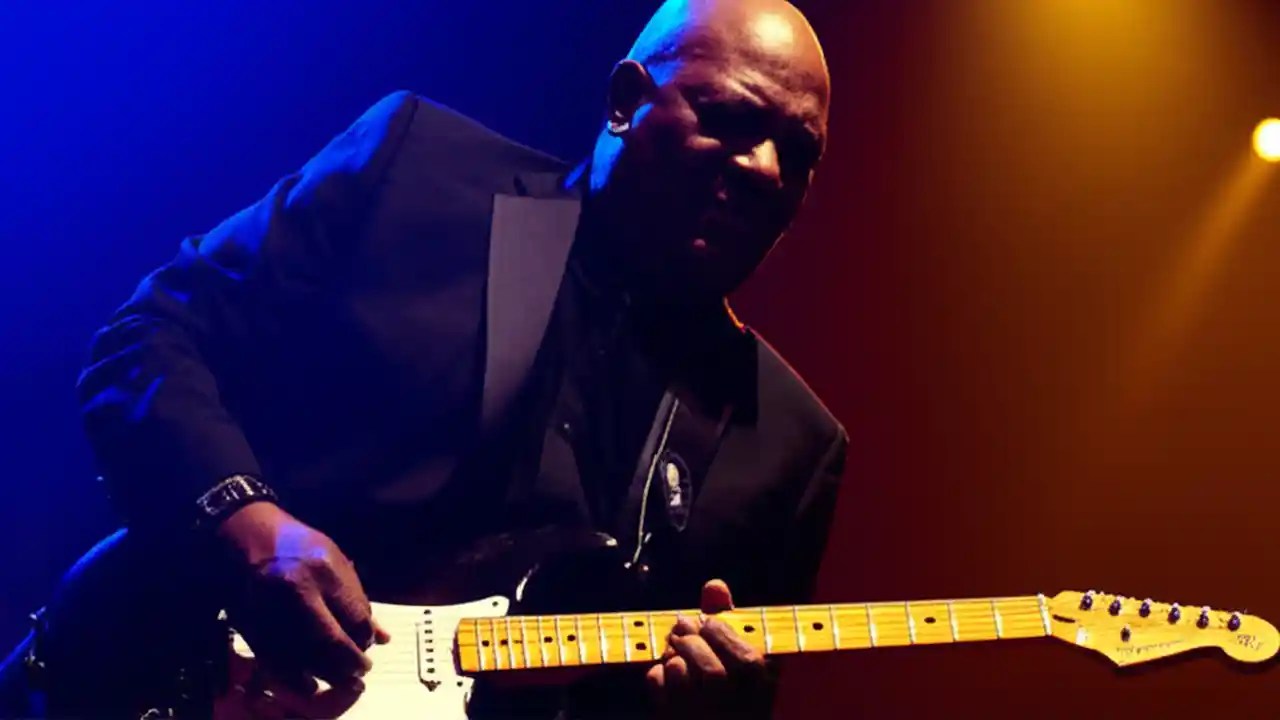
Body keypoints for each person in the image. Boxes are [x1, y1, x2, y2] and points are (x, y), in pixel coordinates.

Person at [1, 0, 845, 717]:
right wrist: (244, 520)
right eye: (732, 119)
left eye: (798, 154)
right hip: (165, 678)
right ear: (627, 100)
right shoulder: (419, 171)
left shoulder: (788, 447)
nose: (767, 169)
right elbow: (147, 338)